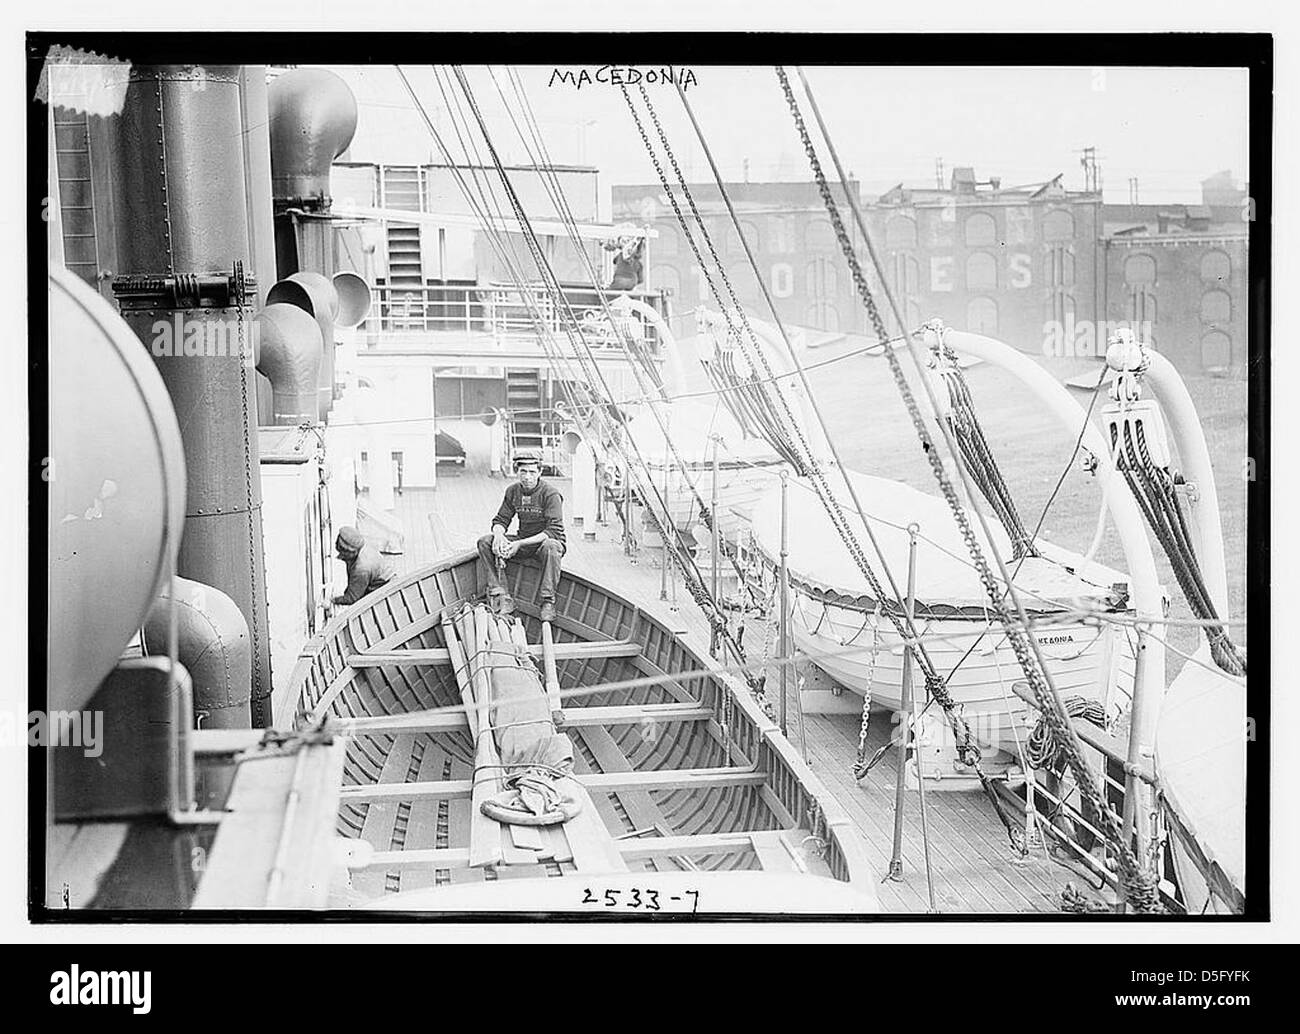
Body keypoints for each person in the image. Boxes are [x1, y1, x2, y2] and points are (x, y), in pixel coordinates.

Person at [477, 450, 565, 622]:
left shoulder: (550, 494)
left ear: (540, 472)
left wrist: (518, 544)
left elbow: (552, 531)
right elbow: (501, 519)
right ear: (517, 471)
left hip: (544, 544)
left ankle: (547, 601)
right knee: (484, 542)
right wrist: (498, 536)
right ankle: (501, 593)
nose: (527, 476)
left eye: (532, 472)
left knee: (552, 547)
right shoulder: (513, 491)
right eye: (523, 471)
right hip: (523, 541)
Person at [332, 526, 395, 608]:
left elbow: (352, 598)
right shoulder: (362, 546)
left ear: (351, 552)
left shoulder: (361, 569)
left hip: (384, 588)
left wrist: (334, 600)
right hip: (383, 577)